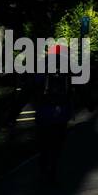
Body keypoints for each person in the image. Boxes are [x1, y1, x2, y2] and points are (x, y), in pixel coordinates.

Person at [32, 44, 75, 186]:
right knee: (58, 144)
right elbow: (81, 87)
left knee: (43, 143)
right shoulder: (69, 67)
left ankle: (42, 168)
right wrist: (90, 103)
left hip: (44, 112)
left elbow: (28, 89)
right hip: (62, 113)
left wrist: (12, 114)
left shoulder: (41, 67)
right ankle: (53, 170)